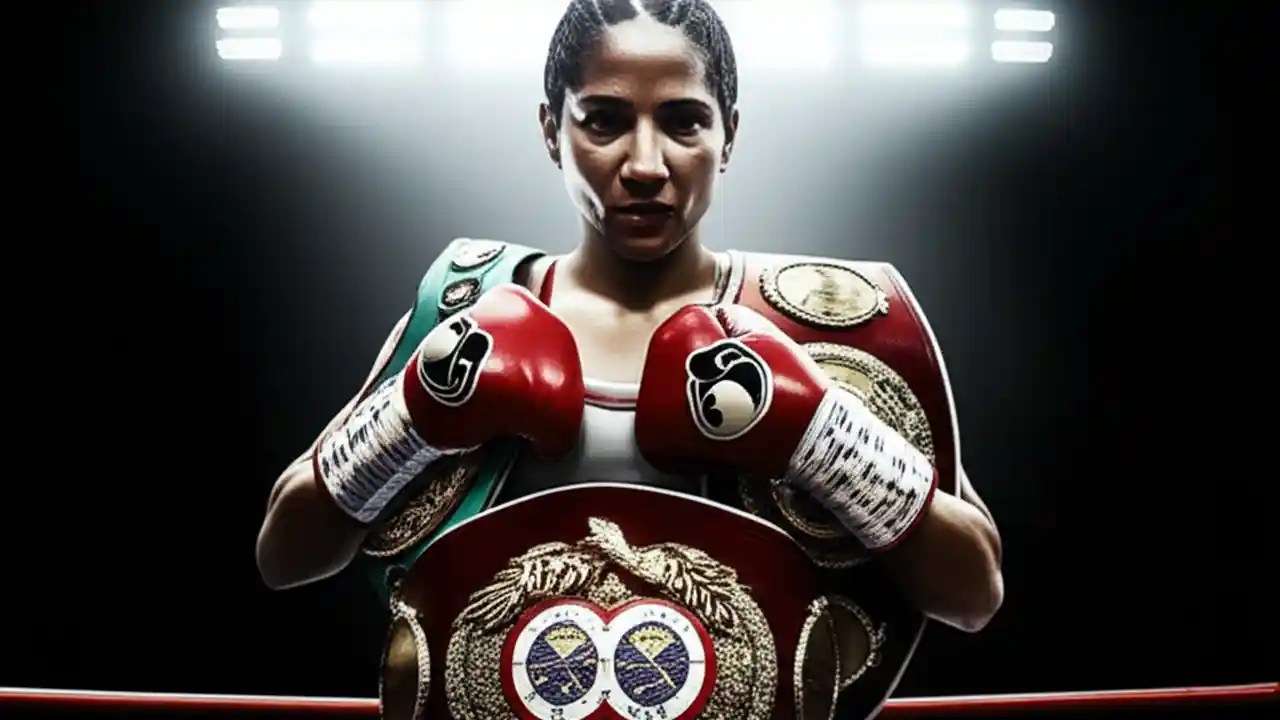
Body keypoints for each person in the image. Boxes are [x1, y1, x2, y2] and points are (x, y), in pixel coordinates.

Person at [256, 1, 1003, 718]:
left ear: (729, 134)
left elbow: (974, 591)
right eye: (605, 121)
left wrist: (819, 434)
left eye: (683, 122)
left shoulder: (826, 327)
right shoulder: (466, 314)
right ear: (553, 130)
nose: (645, 164)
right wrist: (410, 418)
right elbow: (285, 552)